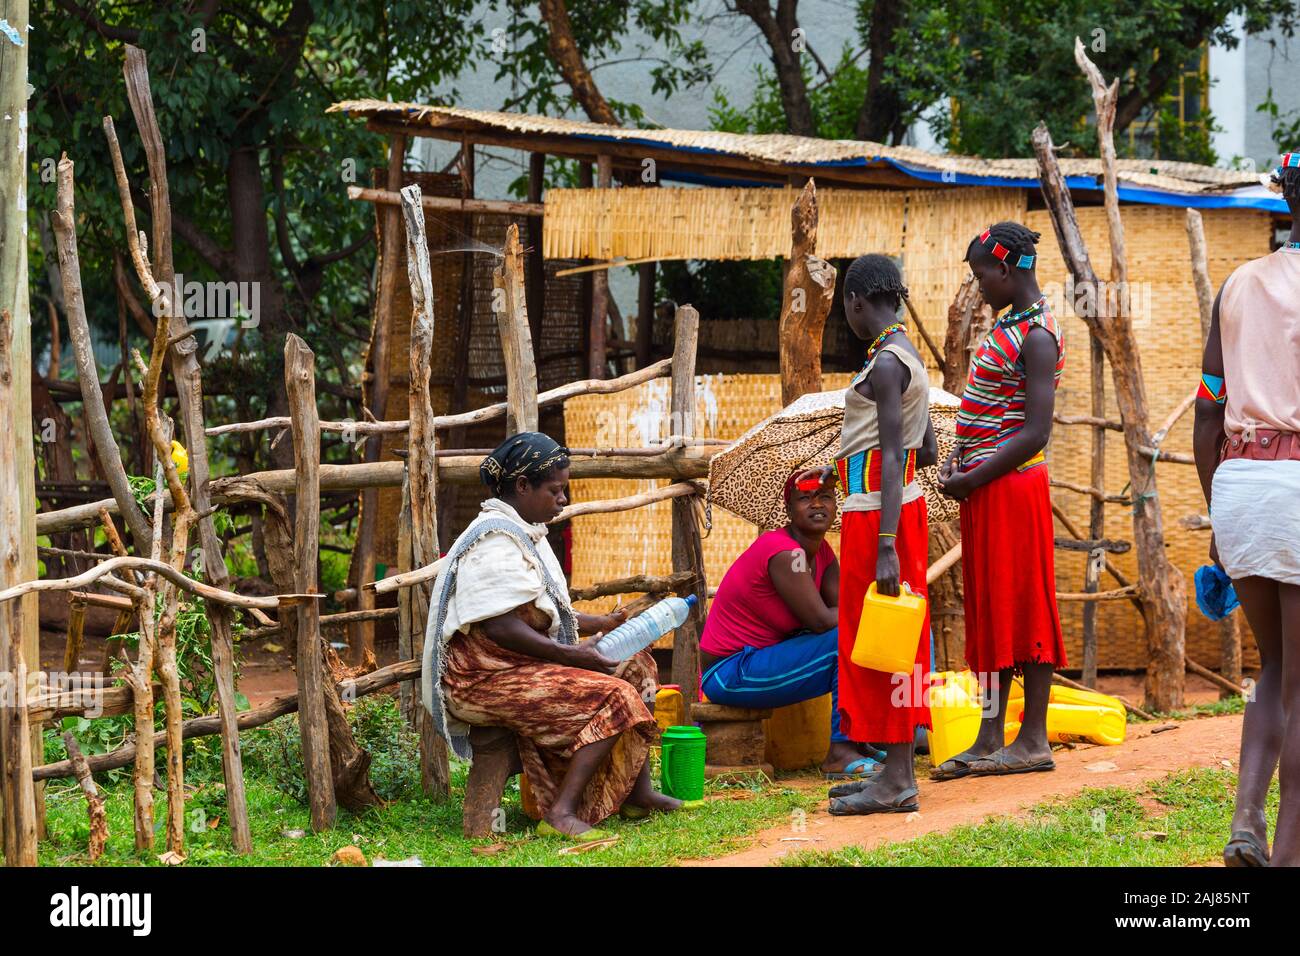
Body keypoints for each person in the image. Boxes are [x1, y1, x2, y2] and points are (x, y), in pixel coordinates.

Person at [421, 432, 686, 842]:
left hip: (516, 664)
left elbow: (536, 609)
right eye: (555, 490)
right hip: (483, 679)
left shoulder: (523, 533)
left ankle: (638, 792)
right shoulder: (493, 542)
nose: (562, 500)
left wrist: (600, 624)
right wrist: (572, 656)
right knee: (613, 695)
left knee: (637, 664)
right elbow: (500, 626)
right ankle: (560, 812)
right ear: (522, 486)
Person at [1193, 152, 1300, 867]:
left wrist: (1218, 523)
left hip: (1239, 487)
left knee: (1274, 670)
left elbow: (1207, 414)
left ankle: (1245, 827)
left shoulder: (1237, 283)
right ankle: (1289, 856)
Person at [934, 223, 1067, 781]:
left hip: (1012, 488)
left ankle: (1032, 738)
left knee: (1024, 602)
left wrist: (973, 476)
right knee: (991, 606)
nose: (978, 285)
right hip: (986, 488)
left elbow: (1035, 431)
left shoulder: (1037, 334)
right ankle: (991, 734)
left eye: (980, 273)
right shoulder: (1009, 326)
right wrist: (962, 471)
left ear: (1006, 269)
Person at [812, 254, 939, 815]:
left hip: (877, 518)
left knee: (880, 640)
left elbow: (893, 454)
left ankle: (896, 781)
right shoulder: (907, 355)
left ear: (857, 301)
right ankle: (895, 769)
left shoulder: (886, 364)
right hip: (898, 508)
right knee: (895, 638)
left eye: (846, 305)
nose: (848, 314)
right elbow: (926, 449)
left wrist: (885, 543)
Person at [699, 472, 880, 778]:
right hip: (730, 672)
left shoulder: (822, 553)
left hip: (766, 660)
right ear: (789, 509)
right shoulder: (785, 553)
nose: (817, 505)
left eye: (825, 497)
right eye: (805, 498)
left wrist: (865, 607)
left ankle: (862, 739)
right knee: (845, 638)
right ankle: (840, 751)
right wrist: (871, 603)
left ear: (836, 506)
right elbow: (824, 620)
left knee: (865, 634)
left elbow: (843, 607)